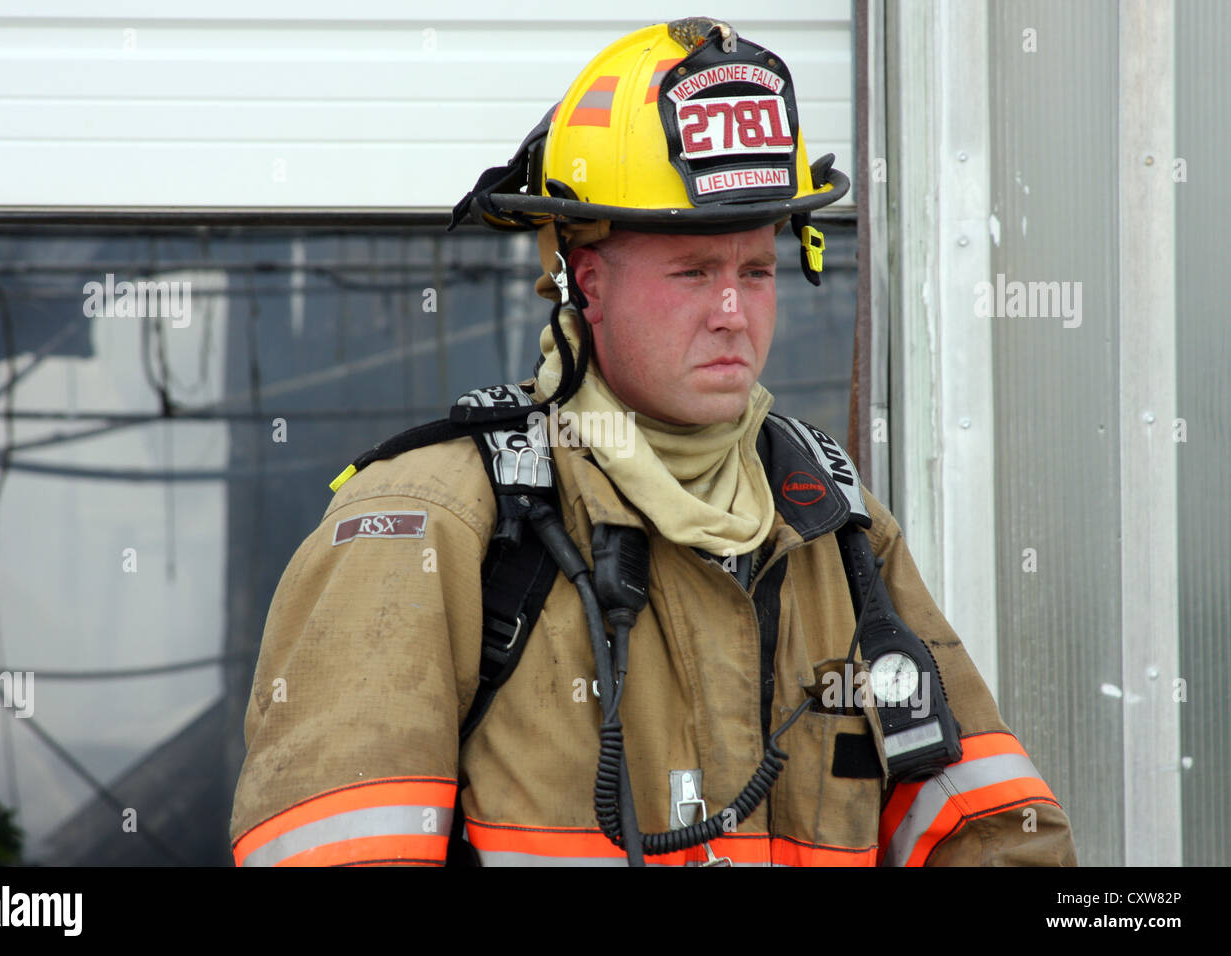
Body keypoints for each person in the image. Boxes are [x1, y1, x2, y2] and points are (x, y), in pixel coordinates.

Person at [229, 18, 1078, 867]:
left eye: (755, 271)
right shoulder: (434, 523)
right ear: (586, 283)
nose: (733, 313)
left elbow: (995, 839)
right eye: (692, 274)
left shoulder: (833, 523)